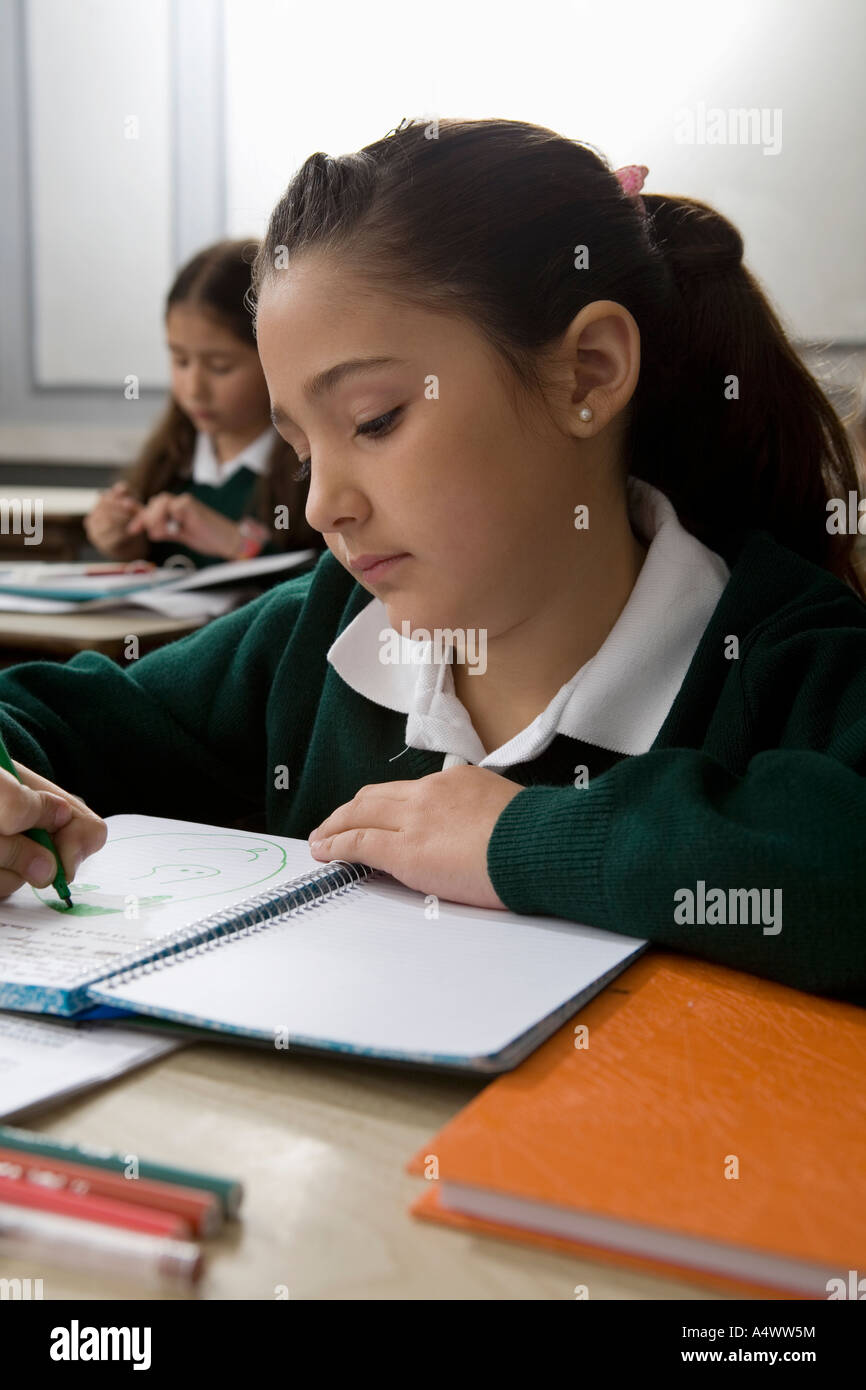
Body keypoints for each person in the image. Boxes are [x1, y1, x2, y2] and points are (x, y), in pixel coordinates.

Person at [2, 117, 865, 1003]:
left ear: (589, 374)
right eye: (302, 450)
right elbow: (50, 719)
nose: (321, 504)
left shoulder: (783, 658)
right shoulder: (326, 632)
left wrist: (526, 839)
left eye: (375, 421)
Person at [84, 238, 322, 568]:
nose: (194, 389)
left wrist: (239, 544)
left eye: (220, 367)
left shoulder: (313, 467)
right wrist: (127, 542)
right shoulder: (167, 465)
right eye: (180, 361)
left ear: (274, 358)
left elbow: (335, 595)